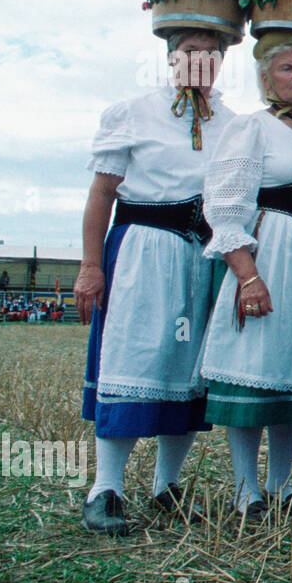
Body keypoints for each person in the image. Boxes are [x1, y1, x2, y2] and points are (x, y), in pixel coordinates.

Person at [75, 27, 236, 536]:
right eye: (189, 51)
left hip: (199, 255)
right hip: (142, 251)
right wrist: (89, 266)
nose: (199, 61)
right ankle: (106, 488)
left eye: (211, 53)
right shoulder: (132, 112)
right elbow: (102, 194)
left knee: (185, 366)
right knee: (133, 357)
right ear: (170, 57)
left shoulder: (232, 124)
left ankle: (166, 485)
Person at [199, 31, 292, 519]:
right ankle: (246, 490)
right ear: (265, 79)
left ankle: (281, 487)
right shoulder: (251, 128)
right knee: (256, 364)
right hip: (270, 252)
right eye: (287, 68)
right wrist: (246, 275)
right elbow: (224, 206)